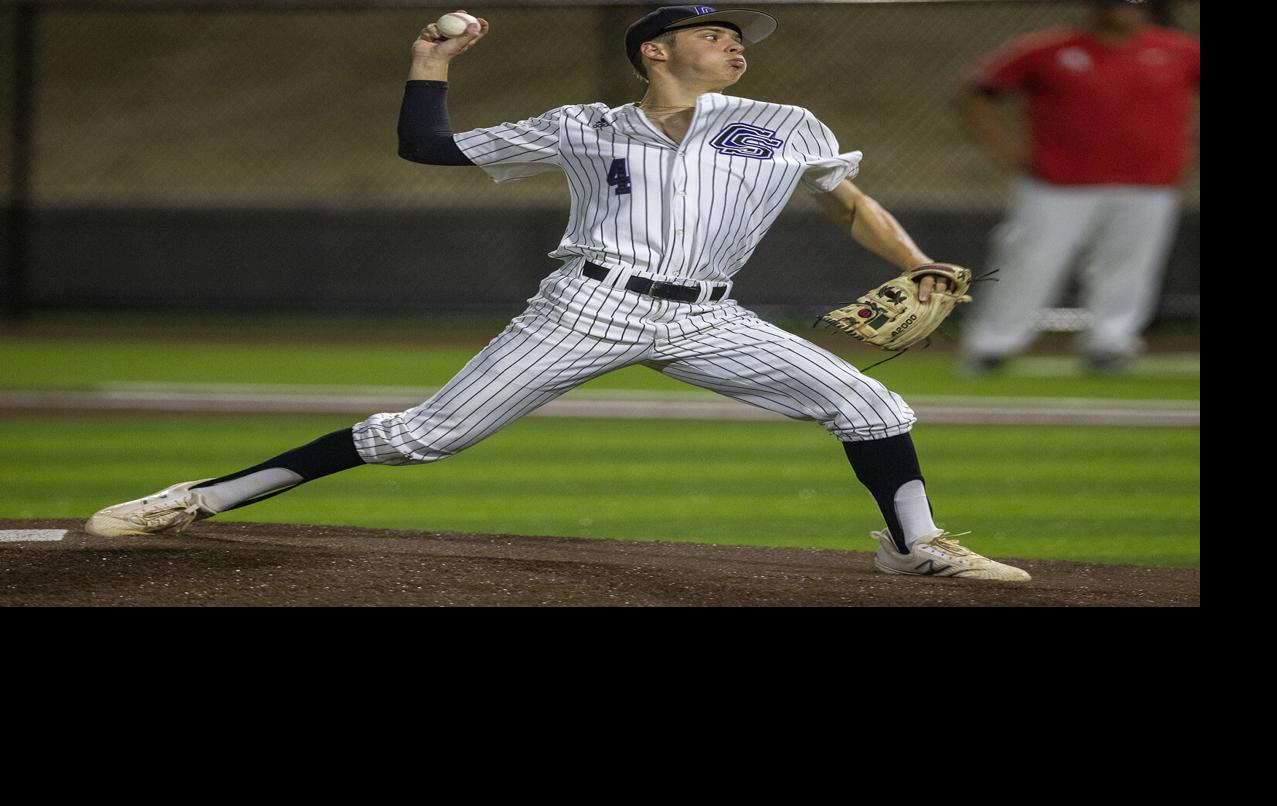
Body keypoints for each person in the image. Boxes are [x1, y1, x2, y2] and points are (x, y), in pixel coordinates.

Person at [83, 5, 1032, 583]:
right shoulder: (583, 124)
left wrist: (917, 262)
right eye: (711, 32)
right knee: (423, 437)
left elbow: (847, 199)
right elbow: (428, 150)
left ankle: (912, 545)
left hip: (705, 312)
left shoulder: (781, 122)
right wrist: (432, 61)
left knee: (866, 400)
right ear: (655, 53)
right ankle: (193, 500)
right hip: (586, 304)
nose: (733, 42)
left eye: (737, 33)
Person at [954, 0, 1199, 374]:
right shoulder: (1046, 50)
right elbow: (975, 92)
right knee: (1031, 260)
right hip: (1059, 183)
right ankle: (993, 343)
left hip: (1149, 182)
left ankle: (1110, 343)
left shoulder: (1178, 50)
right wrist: (1003, 151)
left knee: (1129, 266)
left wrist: (1189, 148)